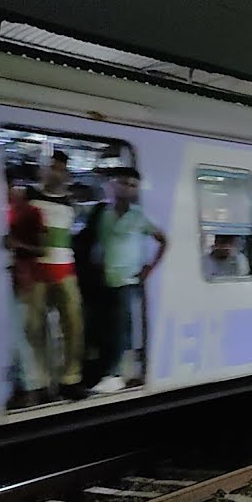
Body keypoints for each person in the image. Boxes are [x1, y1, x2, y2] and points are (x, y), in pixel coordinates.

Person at [89, 167, 167, 393]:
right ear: (114, 185)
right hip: (105, 278)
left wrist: (149, 269)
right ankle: (113, 371)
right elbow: (101, 243)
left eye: (132, 185)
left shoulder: (139, 216)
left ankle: (116, 375)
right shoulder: (104, 214)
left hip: (128, 280)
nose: (128, 188)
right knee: (110, 327)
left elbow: (163, 240)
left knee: (121, 327)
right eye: (124, 183)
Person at [25, 151, 86, 401]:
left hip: (65, 271)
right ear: (42, 170)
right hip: (35, 272)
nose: (56, 173)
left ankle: (70, 379)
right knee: (33, 328)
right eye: (52, 167)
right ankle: (39, 381)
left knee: (73, 324)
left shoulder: (71, 204)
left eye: (61, 169)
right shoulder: (27, 198)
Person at [5, 180, 47, 409]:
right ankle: (22, 385)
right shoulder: (5, 209)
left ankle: (31, 386)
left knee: (17, 335)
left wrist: (16, 245)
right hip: (6, 279)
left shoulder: (33, 212)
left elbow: (42, 248)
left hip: (23, 280)